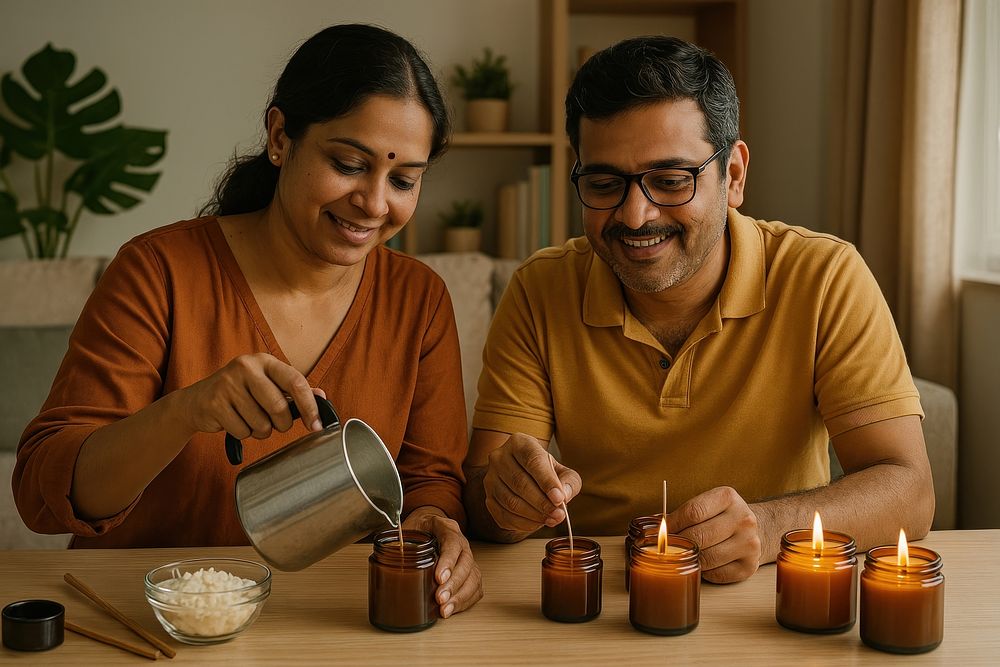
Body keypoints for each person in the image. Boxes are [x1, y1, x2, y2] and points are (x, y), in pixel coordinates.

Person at [15, 24, 482, 618]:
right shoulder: (159, 271)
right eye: (347, 163)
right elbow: (43, 493)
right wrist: (188, 410)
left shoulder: (420, 300)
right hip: (149, 616)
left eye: (403, 180)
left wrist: (438, 528)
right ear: (280, 135)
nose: (373, 202)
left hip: (329, 623)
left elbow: (429, 482)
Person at [463, 35, 934, 584]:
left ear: (733, 175)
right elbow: (482, 501)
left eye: (669, 181)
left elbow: (909, 489)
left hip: (772, 591)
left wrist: (766, 526)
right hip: (599, 598)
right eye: (603, 183)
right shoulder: (539, 290)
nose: (635, 216)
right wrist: (504, 498)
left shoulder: (824, 276)